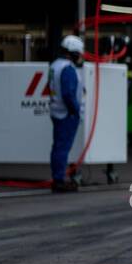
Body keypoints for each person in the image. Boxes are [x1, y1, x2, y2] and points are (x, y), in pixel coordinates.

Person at [49, 35, 86, 192]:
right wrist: (75, 111)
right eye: (78, 53)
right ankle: (59, 180)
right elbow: (68, 94)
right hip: (66, 114)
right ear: (73, 52)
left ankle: (58, 177)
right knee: (62, 148)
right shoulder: (67, 69)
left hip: (56, 111)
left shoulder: (55, 65)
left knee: (58, 147)